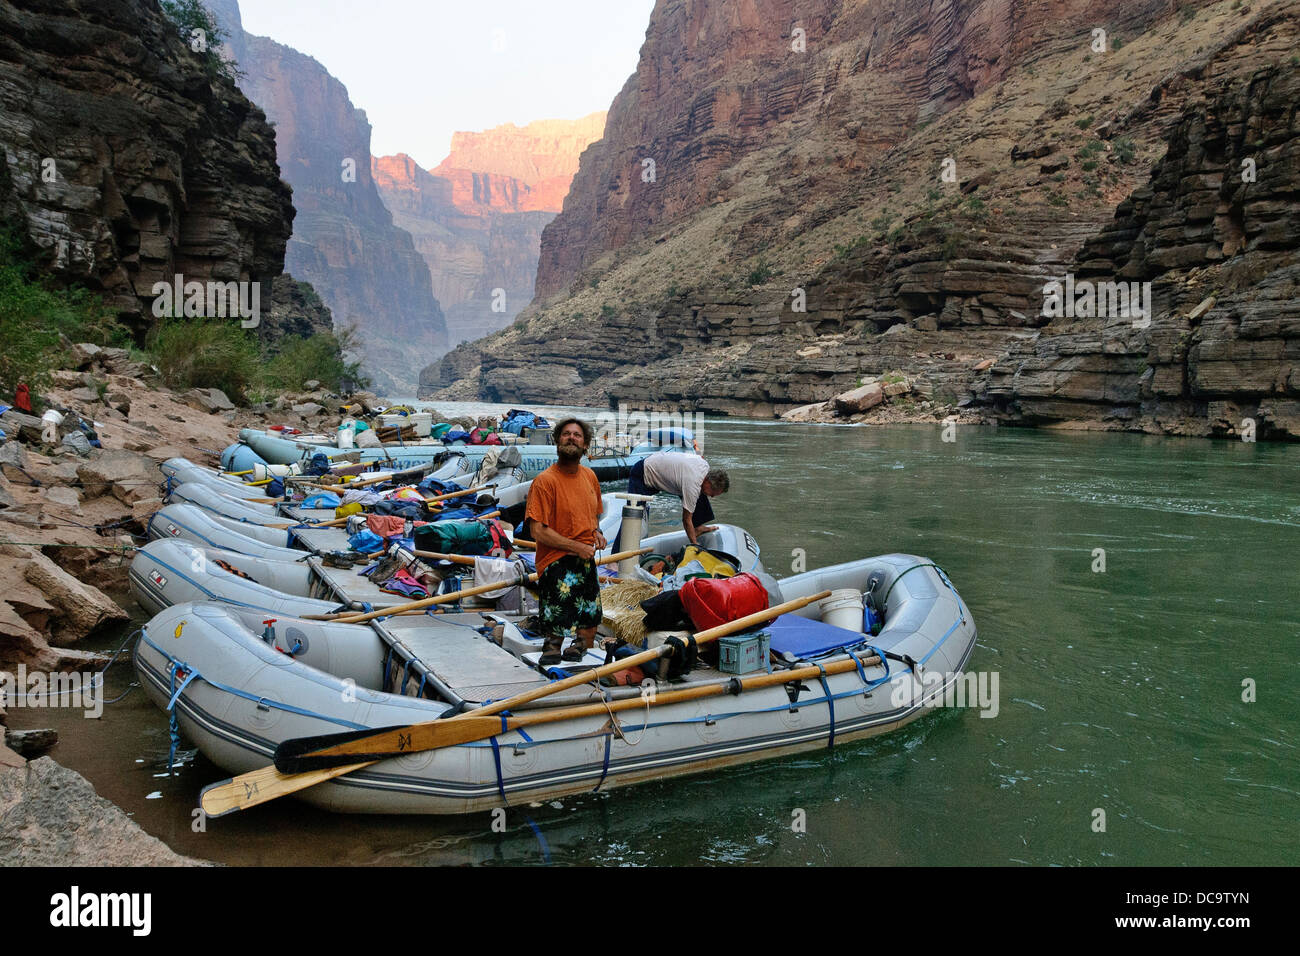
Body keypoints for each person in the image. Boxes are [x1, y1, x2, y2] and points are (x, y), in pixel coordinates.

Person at [525, 417, 607, 666]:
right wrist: (576, 547)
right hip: (556, 559)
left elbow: (593, 515)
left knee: (591, 620)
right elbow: (537, 532)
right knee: (555, 631)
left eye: (577, 435)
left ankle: (579, 651)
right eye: (566, 434)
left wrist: (597, 533)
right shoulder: (545, 481)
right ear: (557, 441)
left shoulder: (590, 476)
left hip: (585, 557)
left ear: (585, 446)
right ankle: (552, 650)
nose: (572, 437)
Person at [627, 449, 729, 546]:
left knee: (701, 493)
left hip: (657, 466)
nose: (712, 496)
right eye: (713, 493)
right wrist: (694, 544)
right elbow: (686, 519)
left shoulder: (705, 466)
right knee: (632, 517)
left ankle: (698, 528)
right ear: (709, 482)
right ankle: (615, 558)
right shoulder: (692, 484)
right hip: (642, 473)